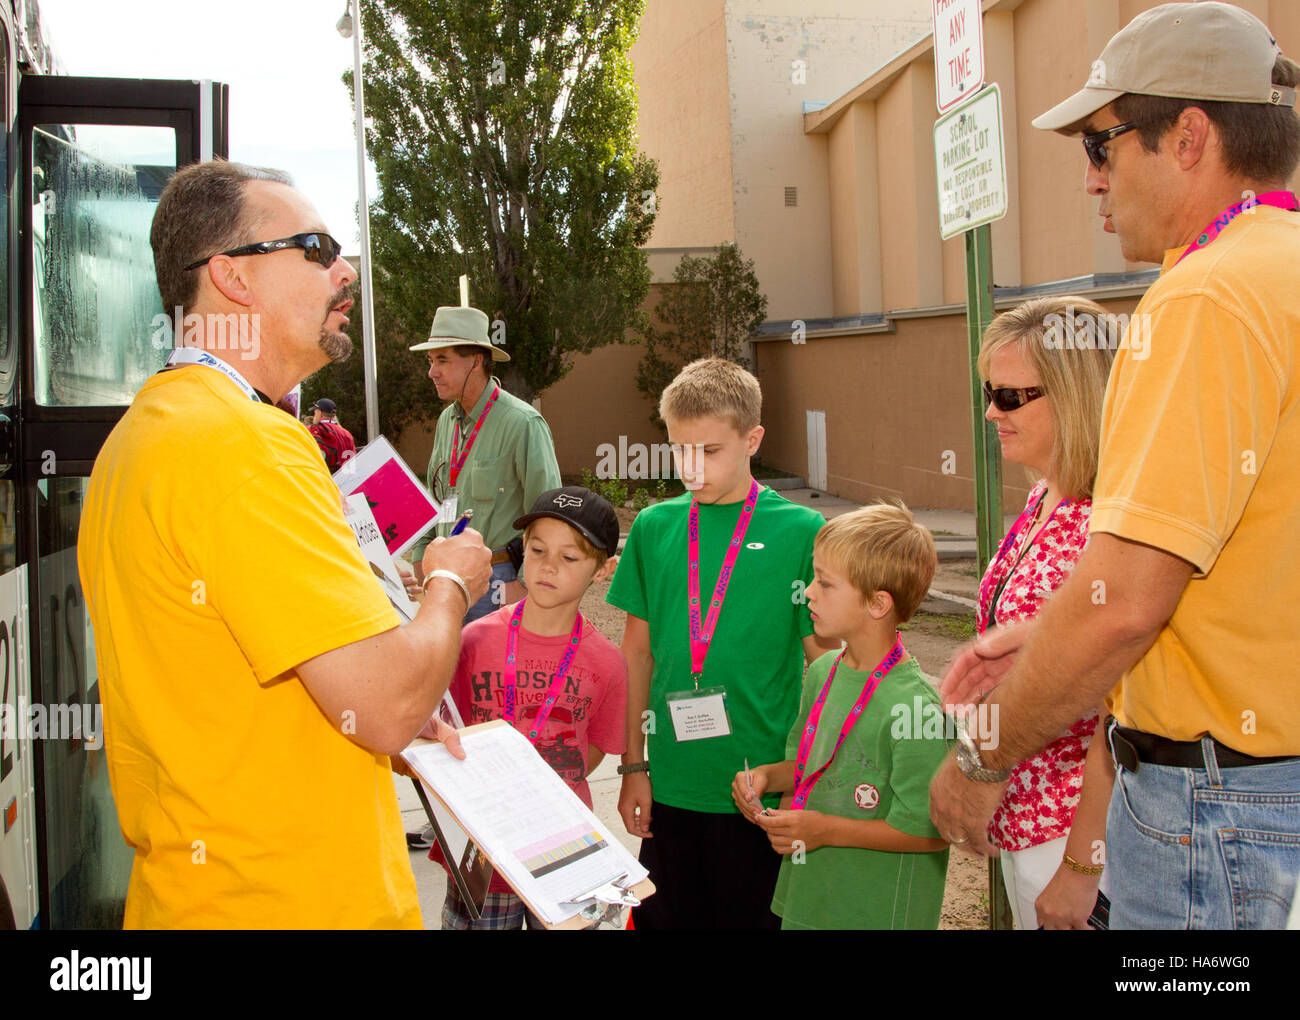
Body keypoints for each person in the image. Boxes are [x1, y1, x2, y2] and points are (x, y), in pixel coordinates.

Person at [931, 1, 1300, 930]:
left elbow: (1128, 600)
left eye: (1101, 144)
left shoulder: (1206, 295)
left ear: (1188, 137)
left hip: (1214, 808)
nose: (1090, 179)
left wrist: (983, 757)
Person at [77, 160, 492, 928]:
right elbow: (388, 702)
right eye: (317, 248)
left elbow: (236, 684)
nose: (344, 272)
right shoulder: (246, 444)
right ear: (232, 278)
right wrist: (450, 581)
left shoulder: (140, 438)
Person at [606, 357, 840, 929]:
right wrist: (633, 765)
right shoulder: (655, 527)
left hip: (761, 790)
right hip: (672, 784)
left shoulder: (803, 532)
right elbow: (637, 653)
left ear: (753, 439)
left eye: (709, 451)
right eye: (679, 450)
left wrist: (816, 778)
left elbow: (824, 663)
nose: (692, 467)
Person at [419, 486, 627, 929]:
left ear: (603, 570)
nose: (549, 566)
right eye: (537, 550)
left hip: (565, 849)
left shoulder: (607, 663)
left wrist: (538, 784)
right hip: (485, 846)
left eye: (570, 558)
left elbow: (591, 753)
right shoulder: (473, 640)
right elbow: (445, 729)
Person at [733, 503, 949, 929]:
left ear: (877, 603)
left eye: (825, 583)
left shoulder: (917, 708)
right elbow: (806, 767)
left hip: (875, 912)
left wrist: (825, 831)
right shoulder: (821, 671)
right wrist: (764, 778)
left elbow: (931, 832)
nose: (808, 591)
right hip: (810, 901)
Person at [973, 296, 1116, 929]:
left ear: (1074, 393)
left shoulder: (1110, 524)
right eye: (988, 391)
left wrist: (1083, 867)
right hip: (1024, 818)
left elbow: (1122, 710)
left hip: (1072, 830)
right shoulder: (1042, 496)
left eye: (1009, 397)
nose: (989, 412)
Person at [407, 306, 561, 623]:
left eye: (442, 360)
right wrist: (422, 558)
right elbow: (436, 500)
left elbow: (549, 513)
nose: (432, 372)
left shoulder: (522, 423)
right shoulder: (446, 421)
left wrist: (523, 582)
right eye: (430, 361)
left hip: (497, 581)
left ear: (476, 361)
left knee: (493, 674)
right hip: (445, 580)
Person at [308, 396, 356, 471]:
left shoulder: (314, 429)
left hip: (324, 477)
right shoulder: (347, 433)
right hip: (346, 477)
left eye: (315, 413)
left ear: (319, 413)